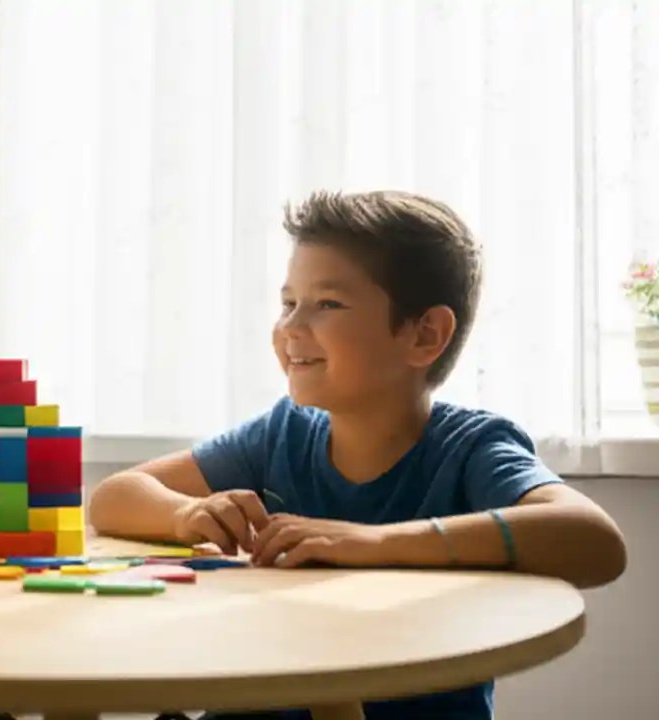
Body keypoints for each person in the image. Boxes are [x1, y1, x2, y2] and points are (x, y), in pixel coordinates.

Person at [87, 189, 628, 719]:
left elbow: (595, 541)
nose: (291, 327)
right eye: (288, 303)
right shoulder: (282, 434)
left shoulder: (468, 449)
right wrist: (185, 513)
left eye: (327, 304)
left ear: (425, 335)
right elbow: (114, 497)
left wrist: (374, 543)